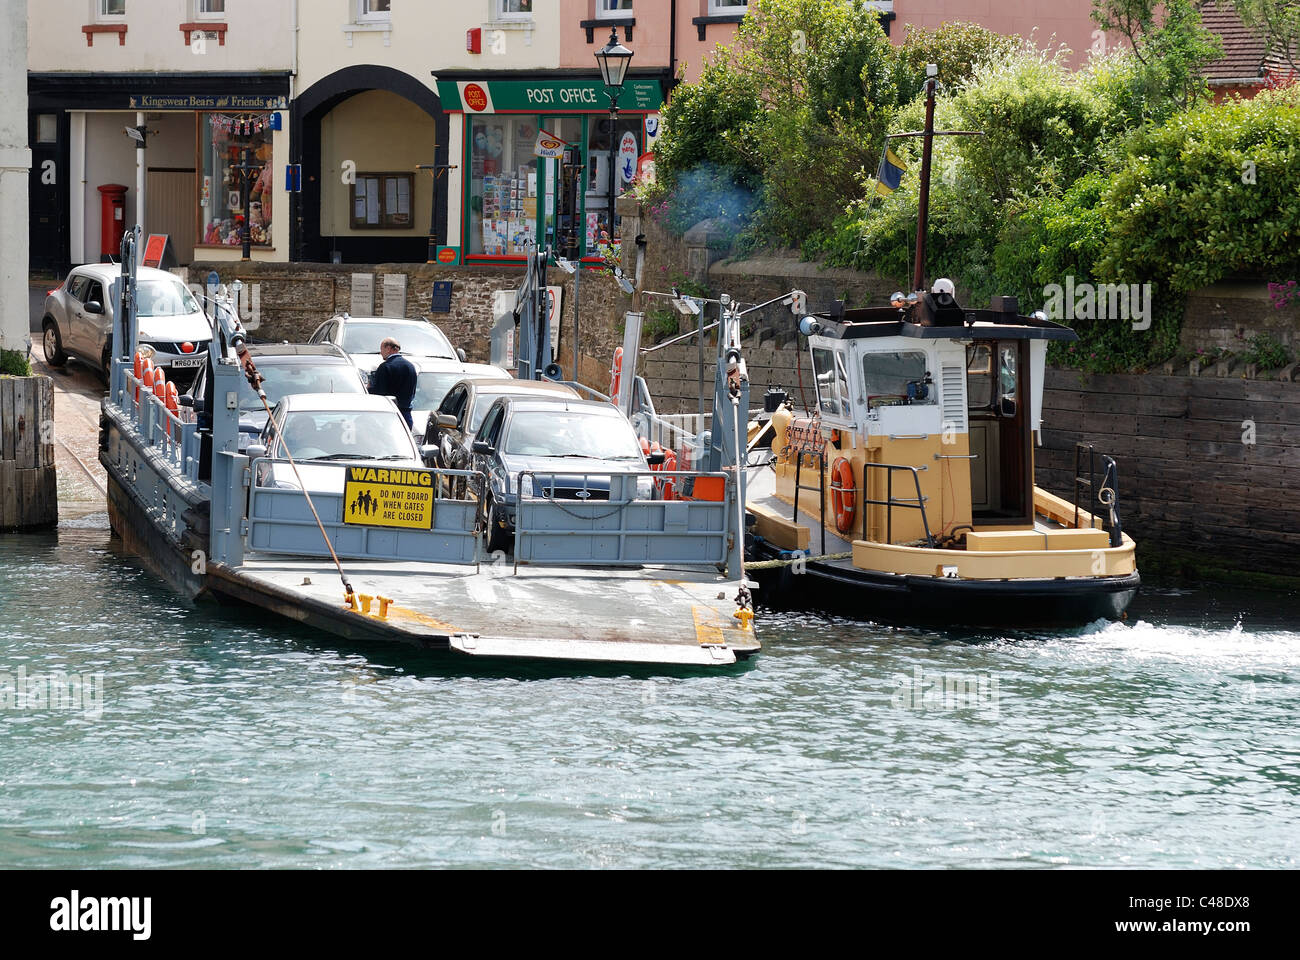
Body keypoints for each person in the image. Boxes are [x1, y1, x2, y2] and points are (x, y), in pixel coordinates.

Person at [369, 337, 417, 429]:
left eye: (381, 349)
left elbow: (379, 392)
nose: (380, 352)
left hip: (389, 415)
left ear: (388, 348)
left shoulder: (385, 367)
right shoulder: (410, 366)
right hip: (406, 415)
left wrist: (369, 388)